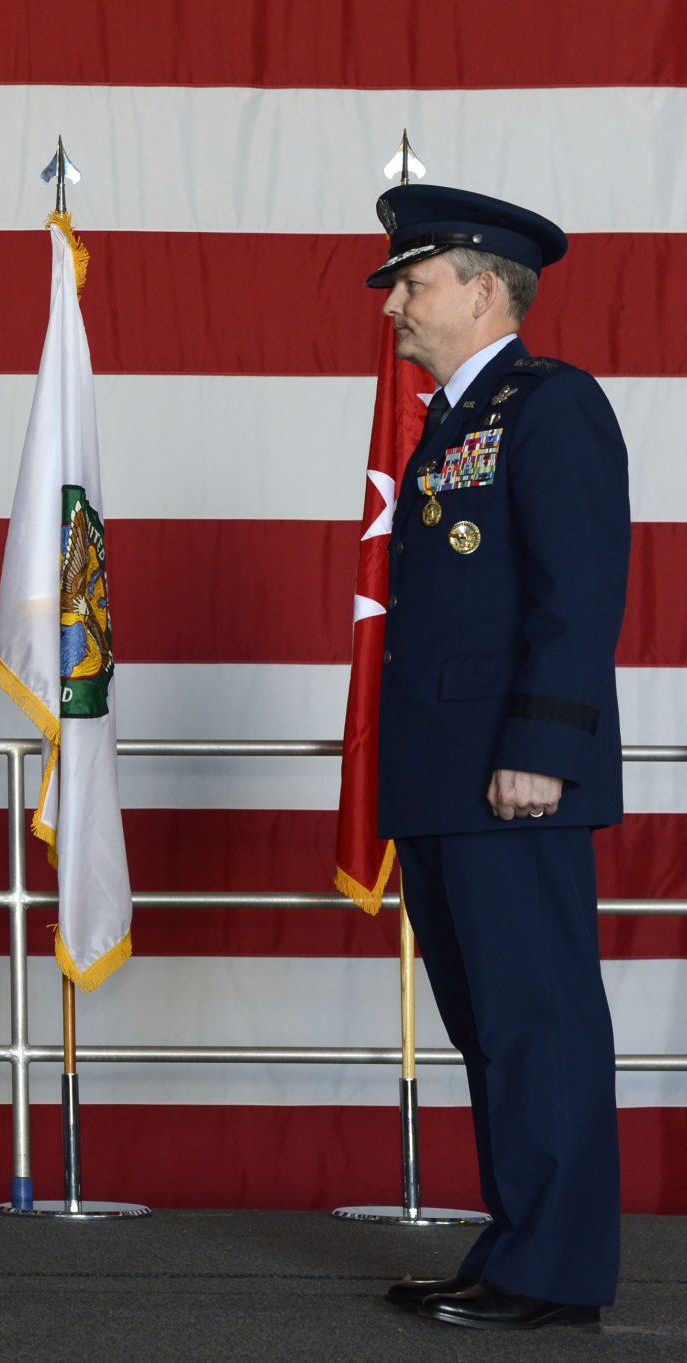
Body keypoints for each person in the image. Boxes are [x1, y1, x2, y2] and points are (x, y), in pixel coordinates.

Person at [367, 185, 629, 1331]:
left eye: (413, 285)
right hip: (443, 774)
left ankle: (555, 1271)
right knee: (488, 1024)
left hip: (508, 775)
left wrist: (539, 748)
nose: (395, 310)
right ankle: (517, 1247)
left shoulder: (549, 406)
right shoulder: (446, 420)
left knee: (537, 1020)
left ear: (481, 288)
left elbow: (577, 592)